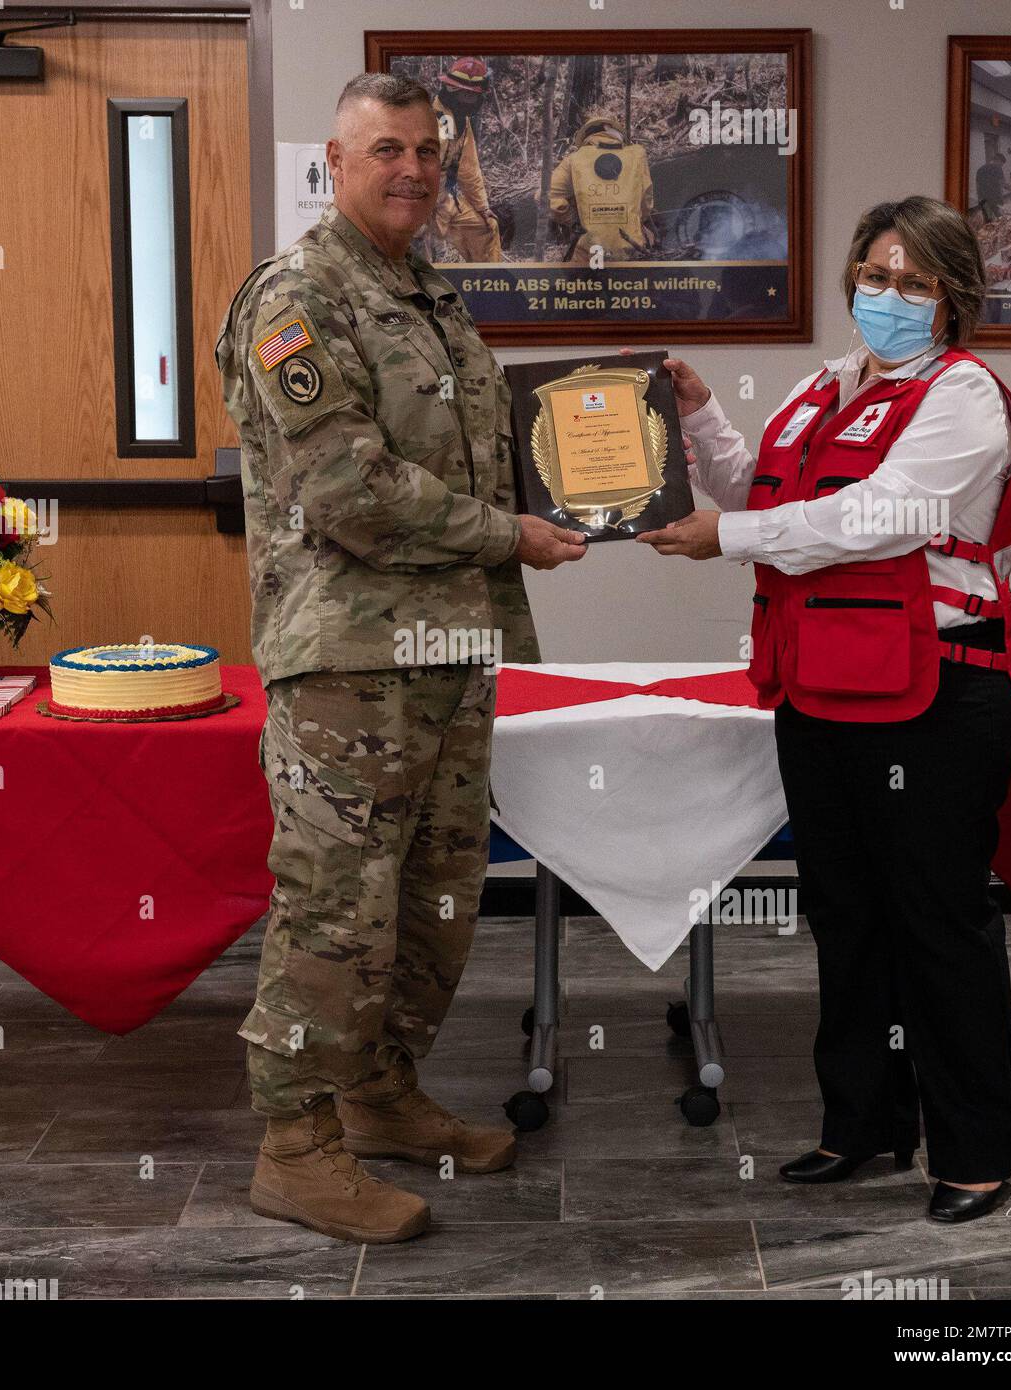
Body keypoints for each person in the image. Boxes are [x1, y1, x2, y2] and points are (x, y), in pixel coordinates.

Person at [214, 72, 585, 1245]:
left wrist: (625, 441)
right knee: (336, 909)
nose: (413, 169)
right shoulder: (295, 298)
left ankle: (378, 1094)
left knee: (434, 899)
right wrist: (508, 534)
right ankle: (294, 1145)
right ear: (334, 159)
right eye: (386, 149)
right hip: (347, 665)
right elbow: (352, 494)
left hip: (451, 649)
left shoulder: (430, 293)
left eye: (428, 150)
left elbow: (486, 456)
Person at [639, 196, 1011, 1225]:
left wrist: (722, 539)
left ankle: (977, 1149)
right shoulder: (825, 388)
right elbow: (758, 488)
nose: (885, 295)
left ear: (953, 297)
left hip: (937, 696)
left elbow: (873, 517)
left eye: (912, 281)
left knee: (937, 926)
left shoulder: (965, 397)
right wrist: (696, 414)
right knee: (846, 920)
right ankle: (861, 1124)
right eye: (872, 273)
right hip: (821, 691)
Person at [548, 117, 654, 265]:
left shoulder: (574, 159)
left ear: (587, 137)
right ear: (611, 130)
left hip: (590, 252)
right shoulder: (637, 154)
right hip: (632, 249)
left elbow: (544, 197)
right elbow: (646, 204)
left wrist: (573, 221)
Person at [428, 57, 503, 262]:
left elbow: (469, 170)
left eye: (473, 95)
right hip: (423, 208)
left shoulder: (461, 121)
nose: (471, 100)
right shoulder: (430, 121)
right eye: (466, 94)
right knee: (430, 264)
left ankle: (491, 288)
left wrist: (483, 208)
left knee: (487, 229)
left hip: (447, 202)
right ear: (452, 90)